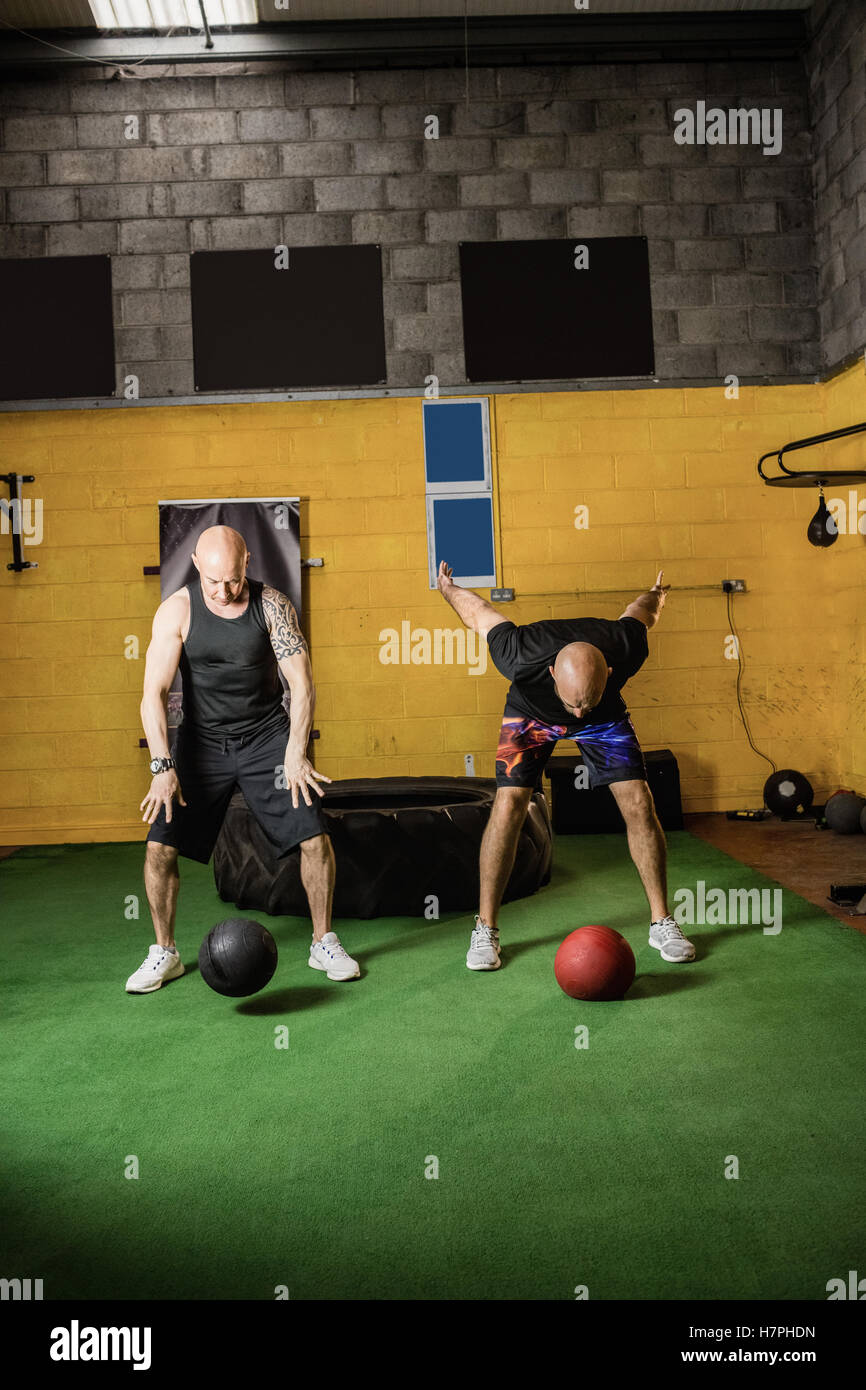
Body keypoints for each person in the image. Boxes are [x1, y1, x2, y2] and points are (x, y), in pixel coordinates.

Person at [127, 525, 359, 993]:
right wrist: (162, 766)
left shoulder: (271, 605)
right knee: (159, 848)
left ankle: (323, 940)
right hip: (202, 745)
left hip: (266, 739)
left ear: (247, 563)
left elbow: (301, 683)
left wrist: (295, 752)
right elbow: (152, 694)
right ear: (196, 565)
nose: (224, 590)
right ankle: (165, 952)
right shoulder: (177, 610)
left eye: (232, 579)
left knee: (314, 837)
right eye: (213, 581)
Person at [435, 562, 694, 971]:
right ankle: (485, 927)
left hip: (604, 720)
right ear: (552, 672)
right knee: (509, 806)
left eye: (582, 702)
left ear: (609, 673)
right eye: (571, 702)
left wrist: (657, 593)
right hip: (531, 716)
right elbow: (477, 612)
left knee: (639, 803)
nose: (575, 711)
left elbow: (641, 610)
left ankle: (662, 921)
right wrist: (447, 588)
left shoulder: (624, 647)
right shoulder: (519, 653)